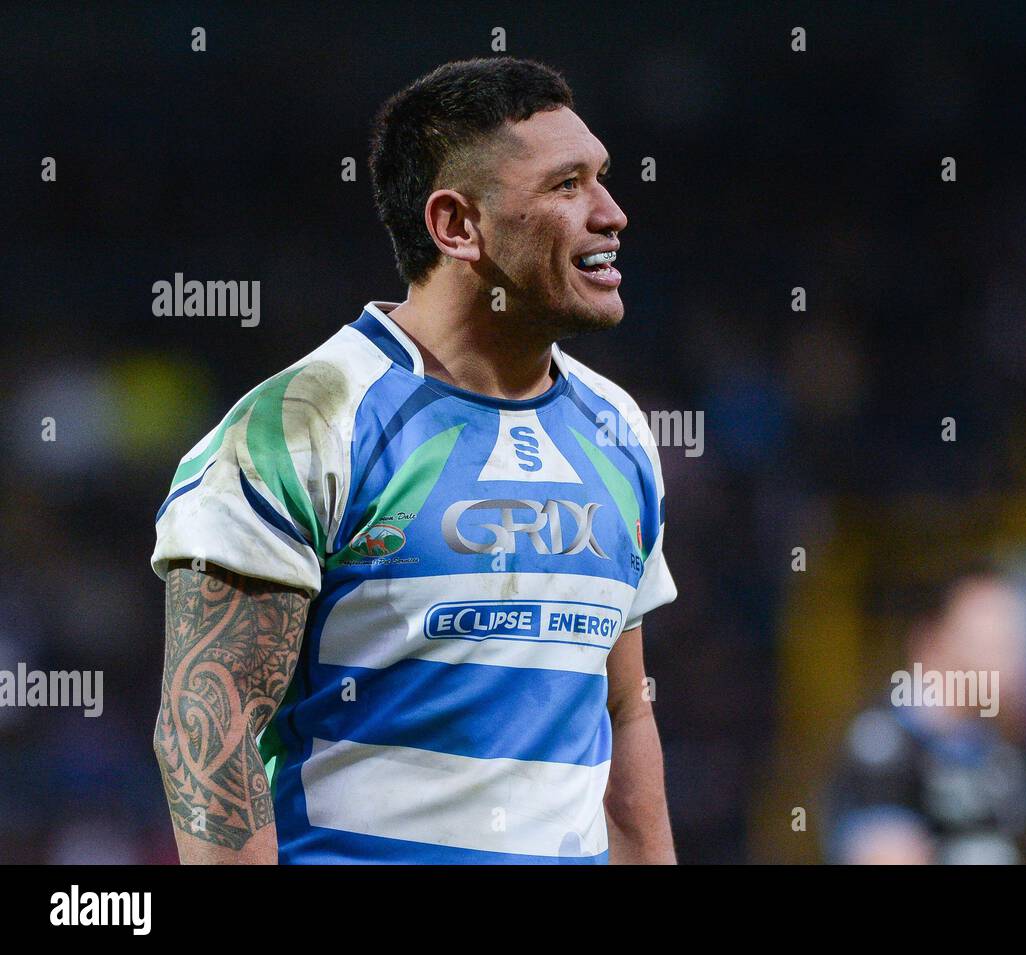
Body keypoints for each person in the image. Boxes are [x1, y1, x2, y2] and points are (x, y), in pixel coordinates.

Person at [150, 58, 677, 864]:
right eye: (567, 185)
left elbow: (626, 711)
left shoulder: (618, 430)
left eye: (601, 178)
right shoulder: (300, 426)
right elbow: (207, 736)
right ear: (456, 226)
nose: (613, 213)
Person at [822, 566, 1026, 864]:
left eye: (1015, 642)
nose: (1011, 662)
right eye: (993, 643)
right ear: (932, 642)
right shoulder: (882, 748)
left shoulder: (996, 753)